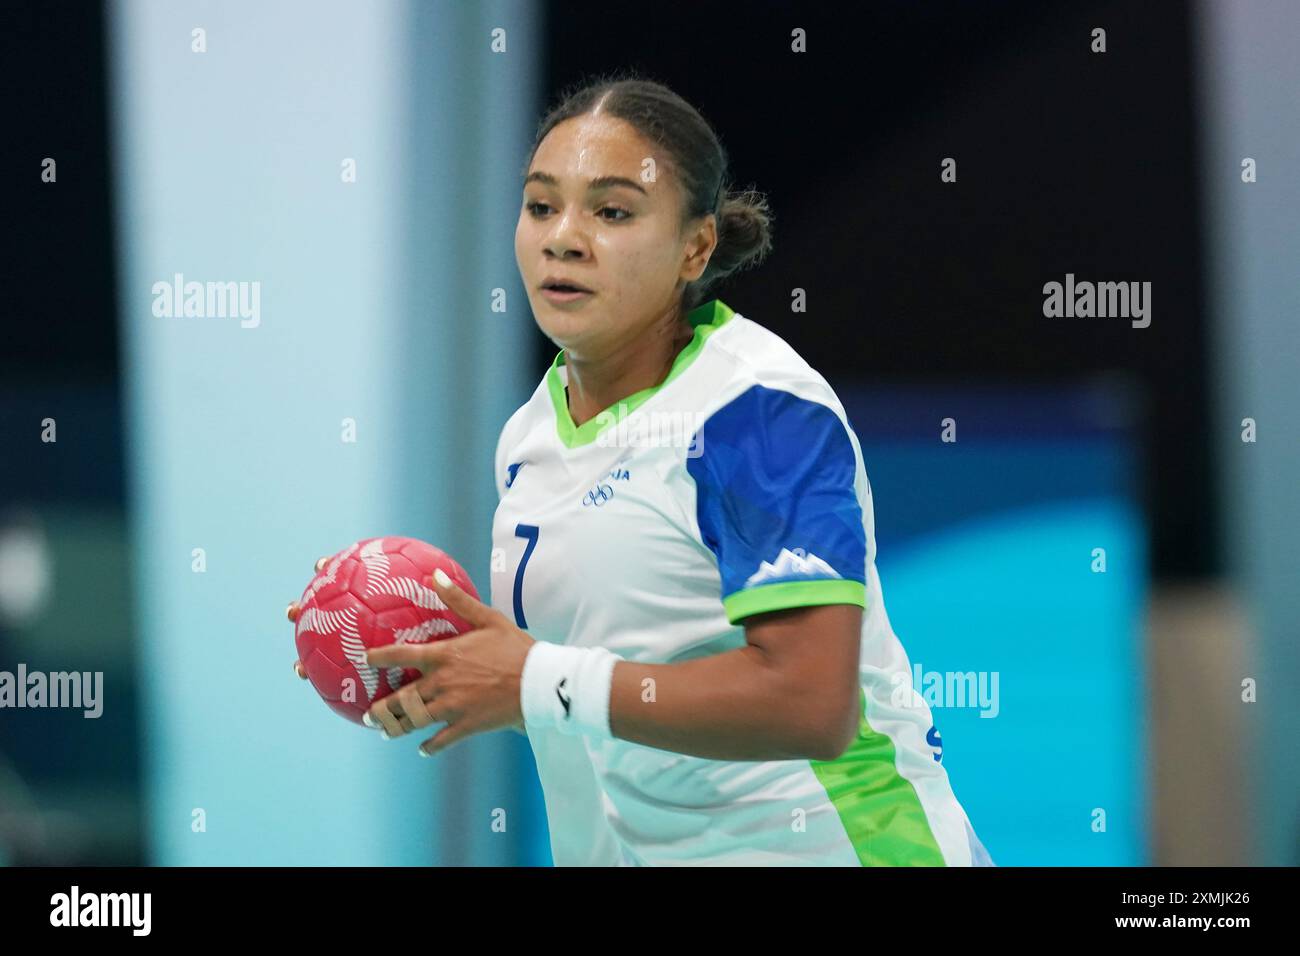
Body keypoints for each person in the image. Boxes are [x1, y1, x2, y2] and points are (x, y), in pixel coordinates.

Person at [291, 74, 993, 867]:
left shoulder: (757, 412)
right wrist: (454, 665)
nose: (564, 237)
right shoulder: (530, 434)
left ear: (695, 247)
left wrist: (536, 678)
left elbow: (811, 701)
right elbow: (604, 698)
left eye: (613, 211)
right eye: (541, 205)